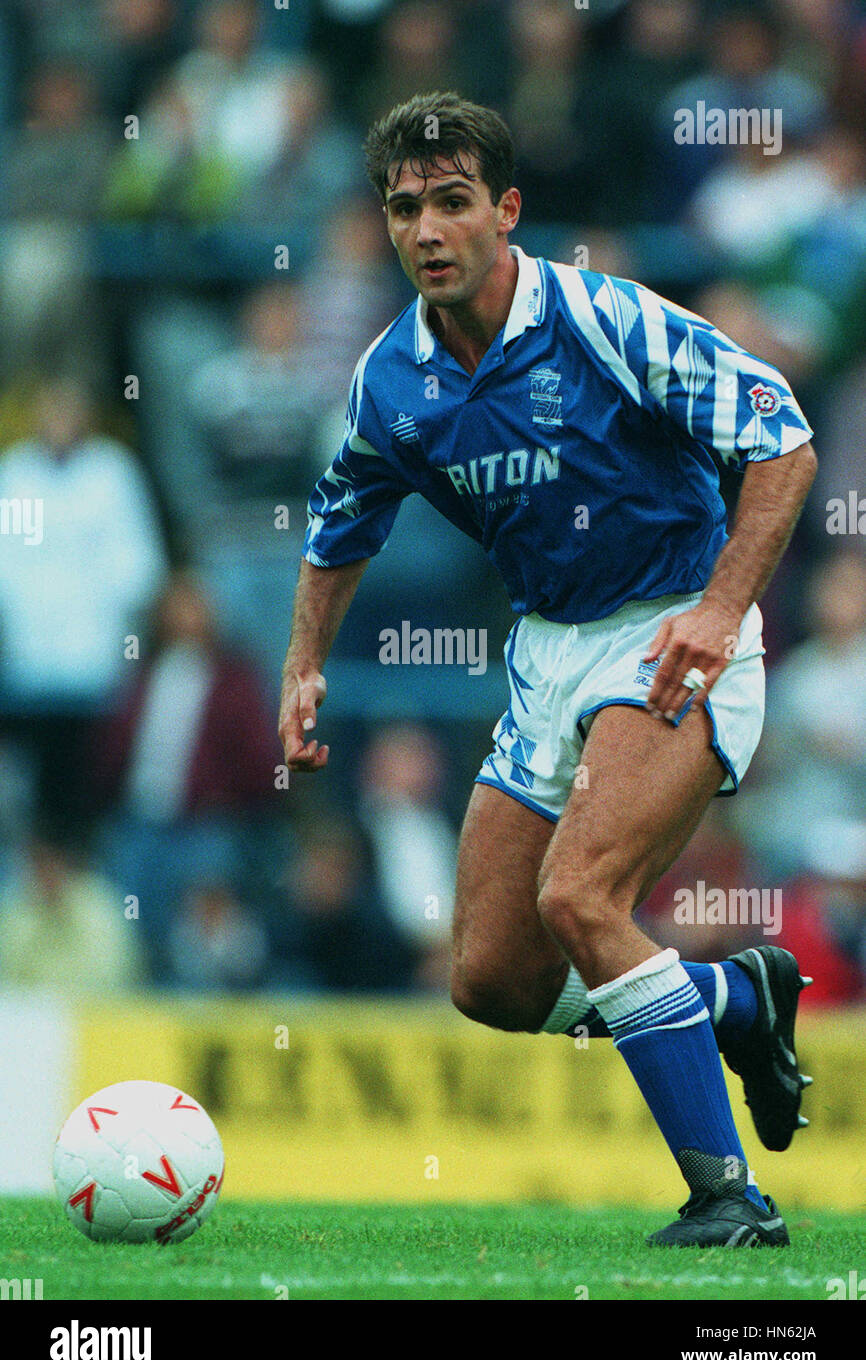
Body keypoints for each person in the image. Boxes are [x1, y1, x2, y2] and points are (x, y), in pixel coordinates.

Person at [278, 92, 817, 1248]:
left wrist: (722, 609)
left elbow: (782, 440)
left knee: (579, 898)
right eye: (402, 207)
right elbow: (338, 529)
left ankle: (727, 1197)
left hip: (674, 629)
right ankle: (730, 997)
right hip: (545, 659)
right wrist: (304, 668)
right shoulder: (390, 382)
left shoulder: (608, 319)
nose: (426, 229)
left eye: (452, 203)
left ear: (506, 211)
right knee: (490, 982)